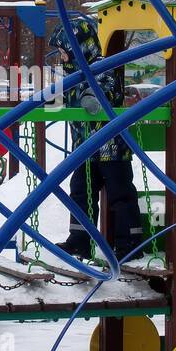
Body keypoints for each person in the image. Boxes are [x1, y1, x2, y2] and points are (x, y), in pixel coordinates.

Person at [48, 16, 145, 261]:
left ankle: (130, 242)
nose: (62, 58)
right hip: (86, 149)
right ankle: (80, 241)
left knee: (120, 194)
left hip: (112, 149)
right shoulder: (72, 76)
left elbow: (104, 86)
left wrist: (91, 95)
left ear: (80, 48)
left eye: (64, 52)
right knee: (80, 192)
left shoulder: (101, 68)